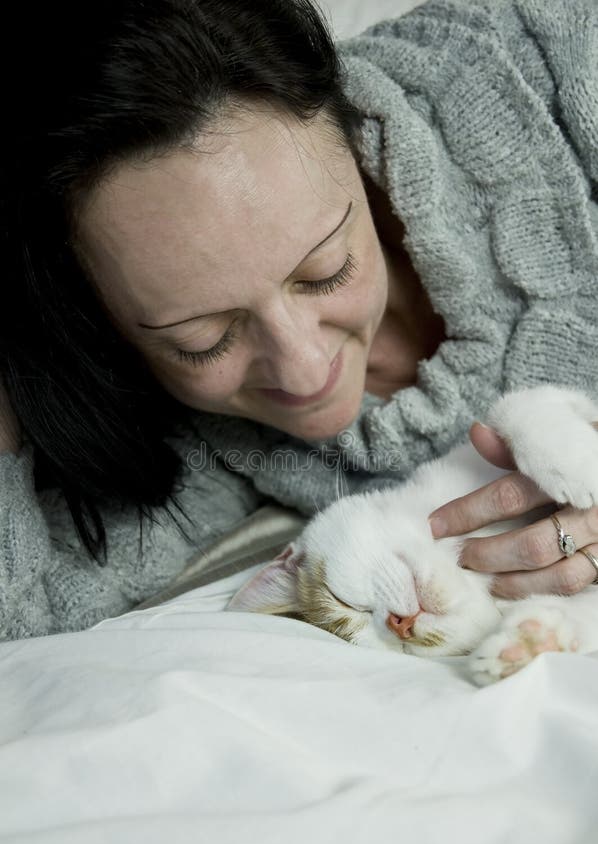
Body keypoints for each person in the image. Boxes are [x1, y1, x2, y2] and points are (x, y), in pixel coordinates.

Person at [2, 0, 597, 641]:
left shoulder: (561, 58)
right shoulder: (209, 445)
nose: (306, 370)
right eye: (202, 340)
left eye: (326, 270)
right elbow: (26, 616)